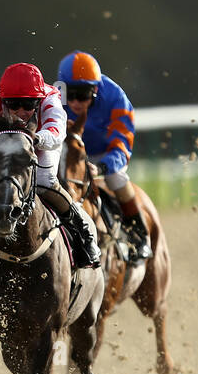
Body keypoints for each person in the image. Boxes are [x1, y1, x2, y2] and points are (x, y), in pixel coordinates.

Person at [0, 62, 101, 269]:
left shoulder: (51, 97)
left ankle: (83, 233)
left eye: (29, 105)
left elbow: (56, 131)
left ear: (38, 100)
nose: (21, 111)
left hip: (42, 143)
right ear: (3, 98)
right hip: (5, 143)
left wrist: (33, 140)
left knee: (45, 181)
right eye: (13, 103)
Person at [56, 50, 151, 265]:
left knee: (116, 178)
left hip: (103, 153)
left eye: (83, 95)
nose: (75, 102)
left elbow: (122, 144)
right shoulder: (53, 98)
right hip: (67, 152)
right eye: (70, 94)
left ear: (96, 90)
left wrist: (102, 167)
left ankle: (138, 234)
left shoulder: (117, 99)